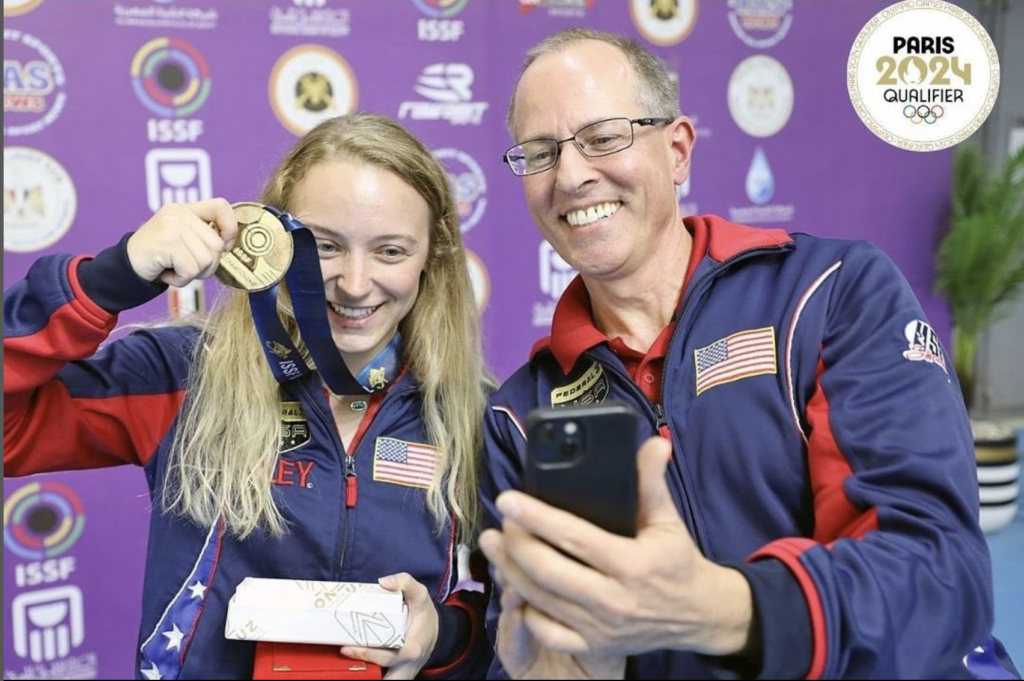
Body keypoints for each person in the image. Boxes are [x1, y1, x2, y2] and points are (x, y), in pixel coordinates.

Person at [478, 27, 1019, 680]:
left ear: (677, 151)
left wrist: (720, 609)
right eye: (540, 153)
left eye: (603, 138)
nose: (569, 175)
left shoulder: (830, 292)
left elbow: (939, 577)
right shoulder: (517, 416)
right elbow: (525, 644)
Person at [5, 113, 492, 680]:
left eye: (390, 252)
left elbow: (521, 615)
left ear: (432, 258)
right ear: (274, 241)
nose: (356, 284)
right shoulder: (186, 377)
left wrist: (443, 634)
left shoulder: (472, 412)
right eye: (325, 246)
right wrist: (113, 277)